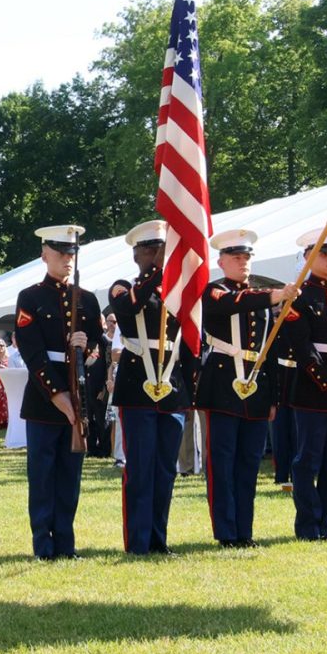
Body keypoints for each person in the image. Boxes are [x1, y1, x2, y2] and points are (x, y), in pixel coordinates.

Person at [197, 229, 298, 547]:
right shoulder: (214, 291)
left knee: (249, 464)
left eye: (246, 257)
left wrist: (273, 397)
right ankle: (225, 531)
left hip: (256, 389)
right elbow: (230, 304)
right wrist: (276, 295)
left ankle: (244, 530)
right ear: (221, 261)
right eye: (236, 257)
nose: (243, 263)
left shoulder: (260, 295)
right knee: (222, 463)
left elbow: (268, 349)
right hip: (223, 384)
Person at [14, 225, 102, 560]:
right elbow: (32, 352)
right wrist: (57, 396)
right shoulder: (31, 297)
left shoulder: (88, 300)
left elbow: (99, 349)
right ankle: (43, 545)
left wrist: (86, 347)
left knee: (69, 477)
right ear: (44, 254)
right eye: (60, 253)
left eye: (70, 254)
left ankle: (65, 544)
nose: (66, 259)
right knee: (42, 476)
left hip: (77, 395)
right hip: (43, 400)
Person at [108, 220, 196, 555]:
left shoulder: (176, 293)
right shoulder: (121, 287)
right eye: (148, 249)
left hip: (171, 389)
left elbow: (186, 343)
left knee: (164, 470)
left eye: (160, 248)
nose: (156, 254)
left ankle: (159, 540)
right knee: (141, 468)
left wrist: (190, 389)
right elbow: (129, 306)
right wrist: (158, 272)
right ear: (135, 256)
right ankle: (138, 542)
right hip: (137, 387)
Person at [278, 229, 327, 541]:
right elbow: (301, 347)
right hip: (311, 389)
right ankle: (308, 525)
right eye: (323, 253)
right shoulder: (299, 297)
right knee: (307, 460)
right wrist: (324, 380)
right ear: (307, 257)